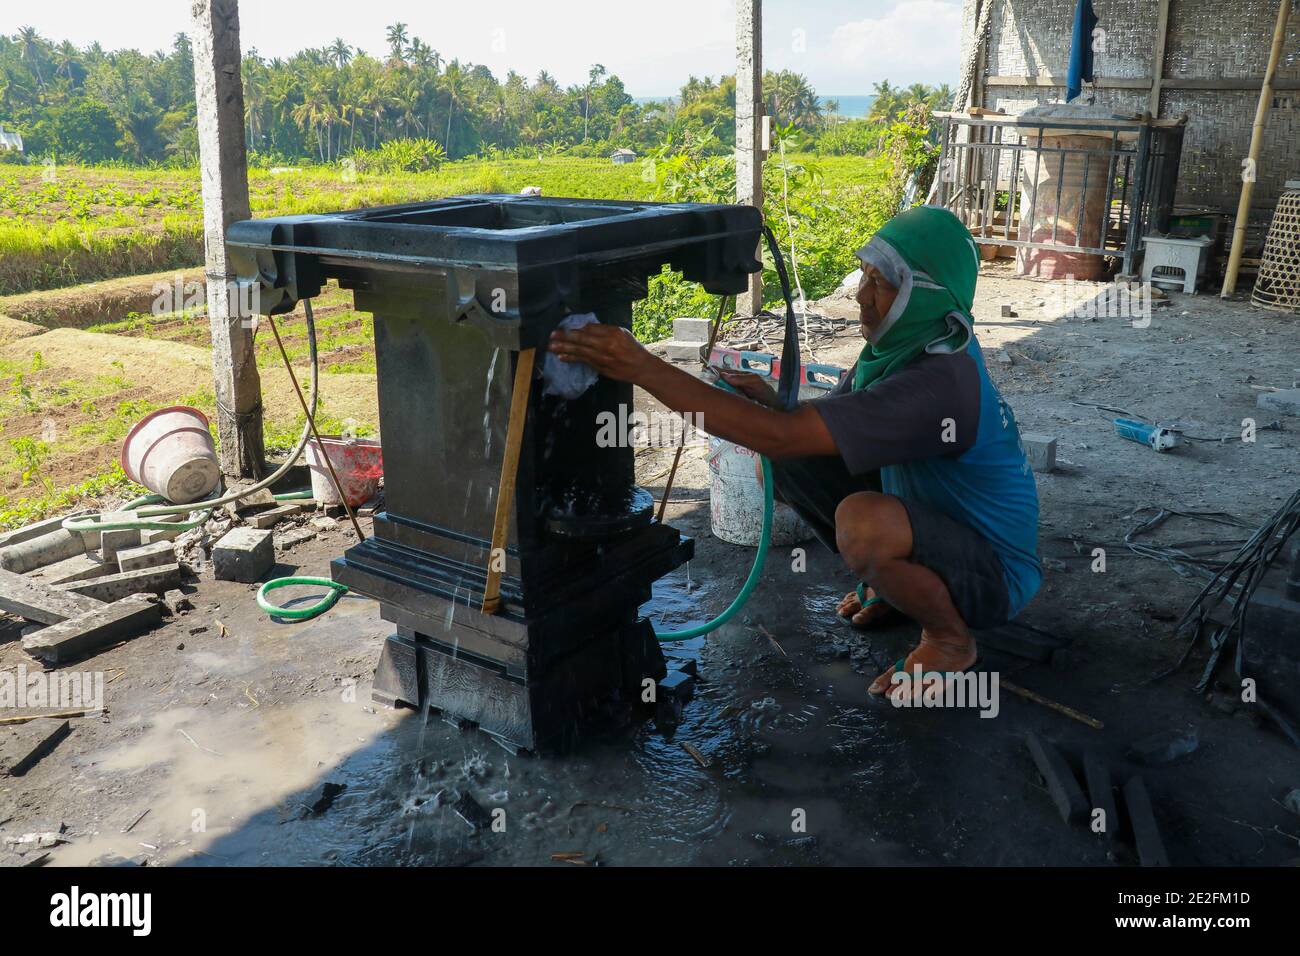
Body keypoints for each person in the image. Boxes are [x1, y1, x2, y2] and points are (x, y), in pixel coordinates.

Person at [547, 205, 1041, 700]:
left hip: (993, 576)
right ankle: (902, 588)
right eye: (864, 276)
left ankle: (950, 639)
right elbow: (825, 426)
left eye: (884, 284)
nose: (862, 297)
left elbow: (781, 435)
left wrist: (642, 367)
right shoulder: (910, 345)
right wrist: (776, 401)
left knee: (862, 523)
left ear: (927, 298)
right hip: (944, 526)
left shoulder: (940, 385)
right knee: (785, 465)